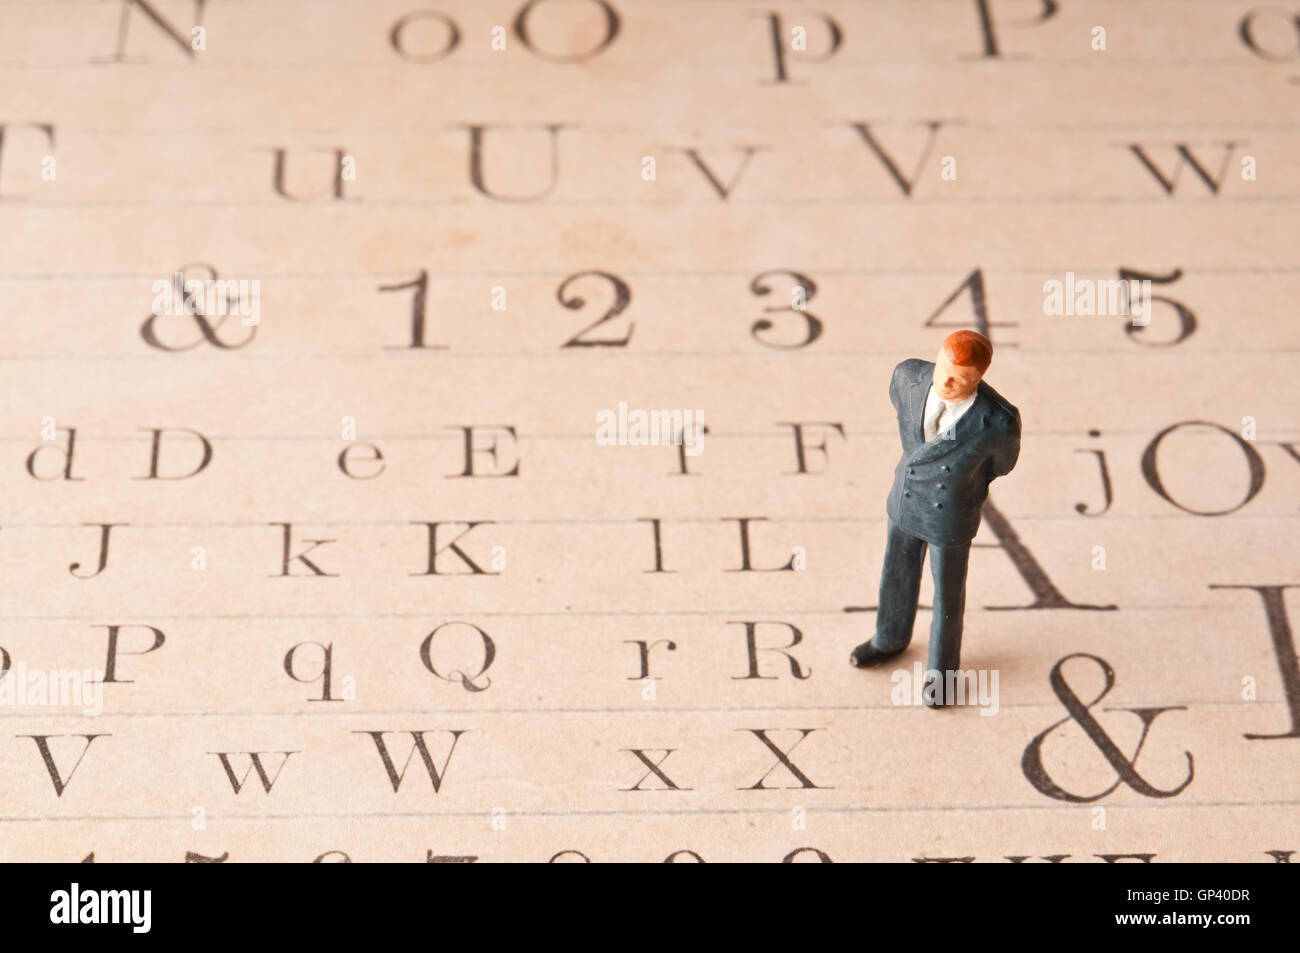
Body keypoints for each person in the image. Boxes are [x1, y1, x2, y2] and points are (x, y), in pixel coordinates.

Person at [849, 329, 1021, 707]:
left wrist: (965, 490)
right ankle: (888, 638)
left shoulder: (997, 421)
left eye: (959, 378)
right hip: (905, 500)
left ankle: (942, 675)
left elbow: (1000, 466)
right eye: (943, 368)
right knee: (895, 573)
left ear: (978, 379)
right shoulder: (907, 377)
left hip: (951, 514)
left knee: (947, 594)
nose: (945, 380)